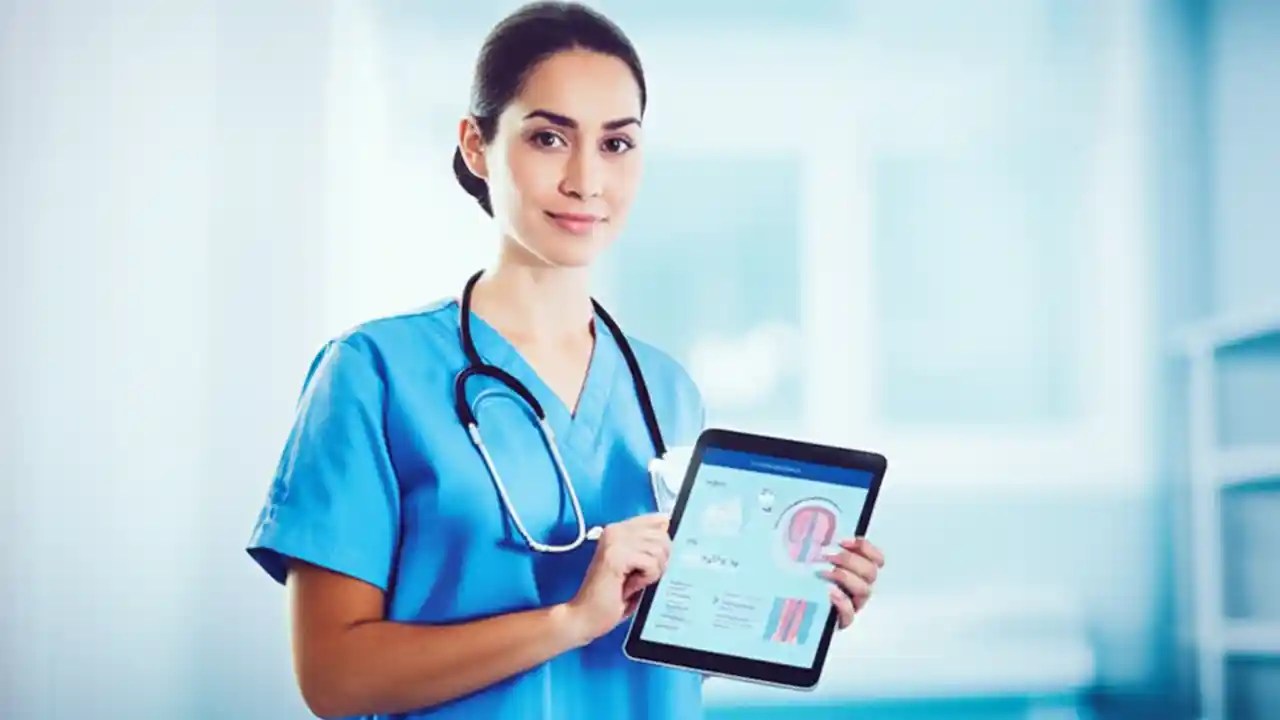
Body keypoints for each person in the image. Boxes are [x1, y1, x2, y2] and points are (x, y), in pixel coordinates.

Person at [245, 3, 886, 718]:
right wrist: (570, 620)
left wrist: (789, 601)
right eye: (549, 137)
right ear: (476, 145)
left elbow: (667, 652)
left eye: (617, 144)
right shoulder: (374, 374)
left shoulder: (667, 392)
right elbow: (335, 679)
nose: (587, 180)